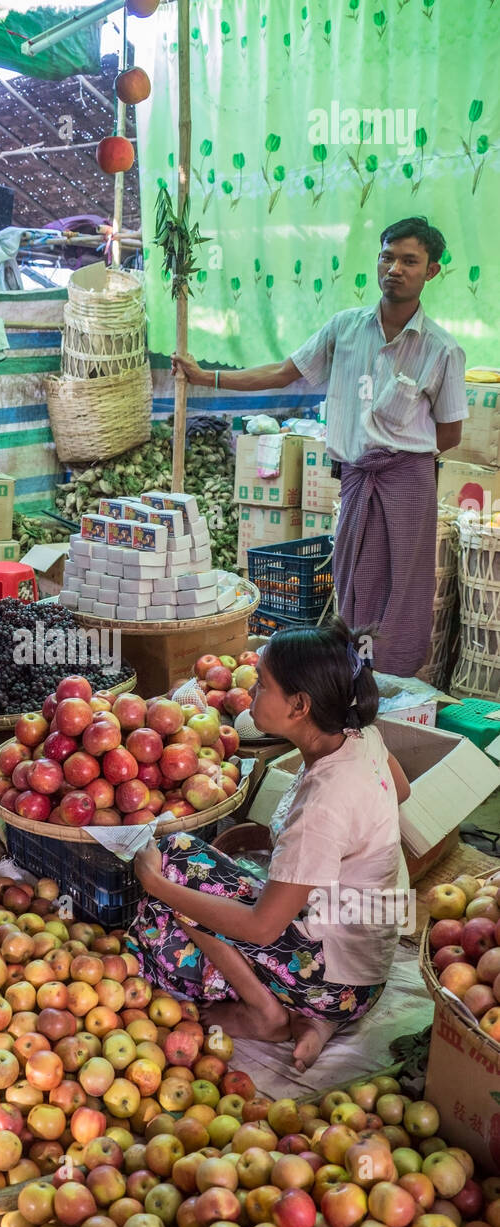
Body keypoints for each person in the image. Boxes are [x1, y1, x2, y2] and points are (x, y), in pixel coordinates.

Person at [171, 216, 468, 677]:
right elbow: (283, 372)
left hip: (409, 481)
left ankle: (395, 681)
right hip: (355, 477)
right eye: (387, 256)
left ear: (430, 272)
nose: (395, 268)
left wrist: (400, 453)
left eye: (410, 261)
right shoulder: (345, 328)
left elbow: (449, 434)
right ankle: (356, 674)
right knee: (354, 580)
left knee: (404, 588)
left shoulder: (442, 349)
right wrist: (207, 376)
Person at [128, 619, 411, 1073]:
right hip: (367, 966)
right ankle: (315, 1022)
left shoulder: (323, 805)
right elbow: (399, 790)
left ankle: (266, 1013)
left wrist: (157, 886)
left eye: (262, 685)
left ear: (299, 705)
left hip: (335, 981)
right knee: (204, 879)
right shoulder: (361, 738)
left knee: (173, 866)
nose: (253, 692)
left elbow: (261, 928)